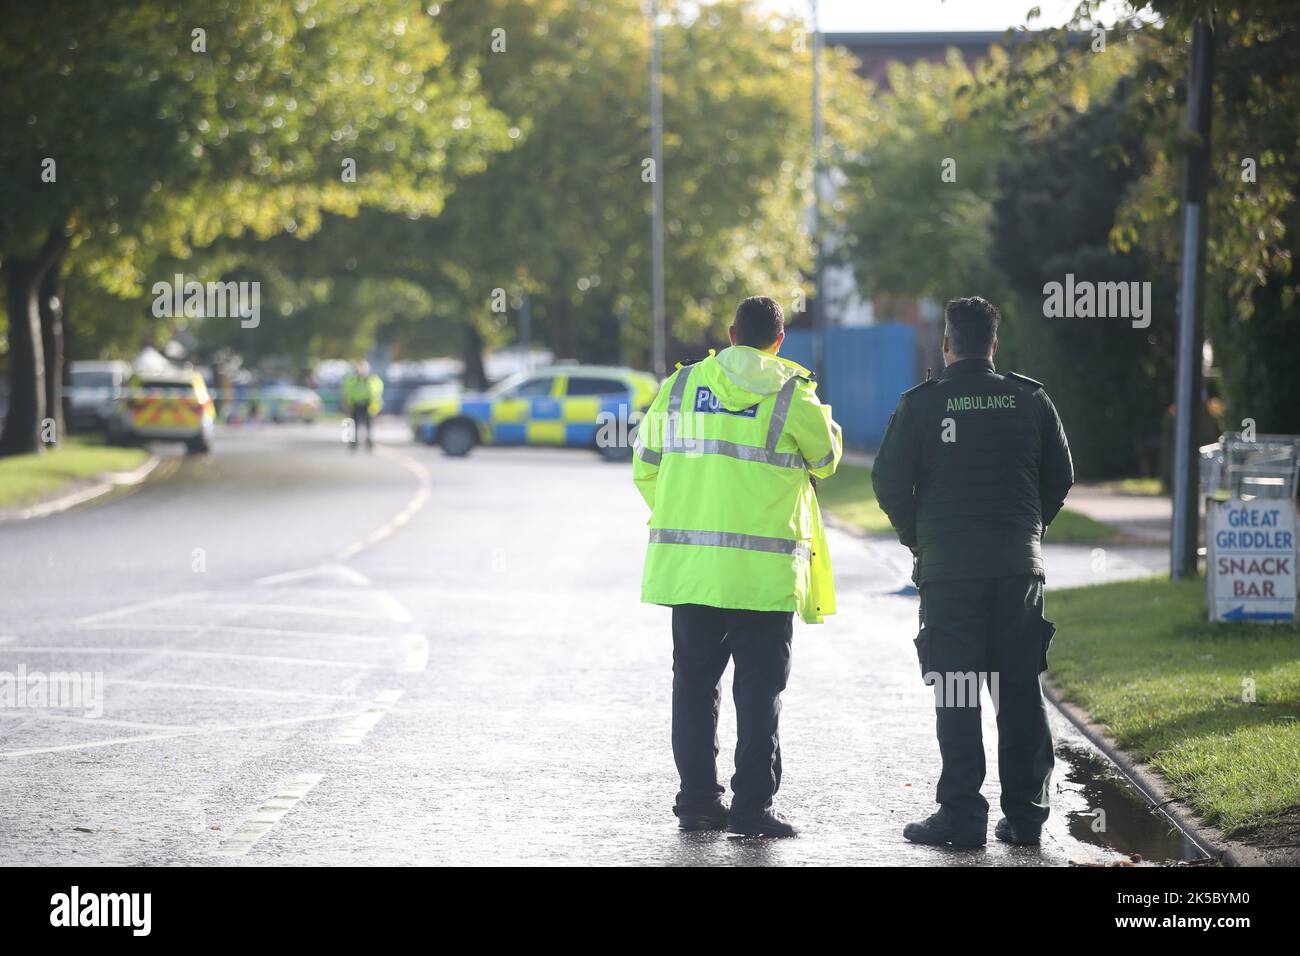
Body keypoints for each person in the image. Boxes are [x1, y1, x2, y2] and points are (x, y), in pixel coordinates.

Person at [633, 295, 842, 838]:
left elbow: (645, 466)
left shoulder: (679, 388)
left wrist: (686, 511)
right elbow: (827, 460)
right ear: (779, 341)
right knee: (758, 691)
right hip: (762, 576)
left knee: (694, 686)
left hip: (693, 572)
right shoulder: (792, 392)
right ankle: (752, 809)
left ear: (730, 334)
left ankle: (698, 804)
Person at [872, 296, 1074, 848]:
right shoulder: (1030, 400)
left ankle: (962, 816)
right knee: (1018, 689)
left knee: (957, 690)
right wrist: (1031, 530)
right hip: (1017, 569)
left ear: (946, 343)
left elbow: (887, 483)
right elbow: (1061, 476)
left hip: (950, 573)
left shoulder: (921, 406)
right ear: (993, 345)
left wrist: (919, 539)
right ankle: (1027, 817)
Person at [341, 360, 383, 452]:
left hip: (368, 405)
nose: (362, 370)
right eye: (360, 368)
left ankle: (369, 442)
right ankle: (353, 443)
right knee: (354, 424)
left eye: (364, 368)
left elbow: (377, 392)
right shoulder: (352, 380)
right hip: (355, 404)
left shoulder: (373, 379)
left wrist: (375, 405)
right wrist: (346, 403)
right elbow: (347, 392)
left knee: (368, 425)